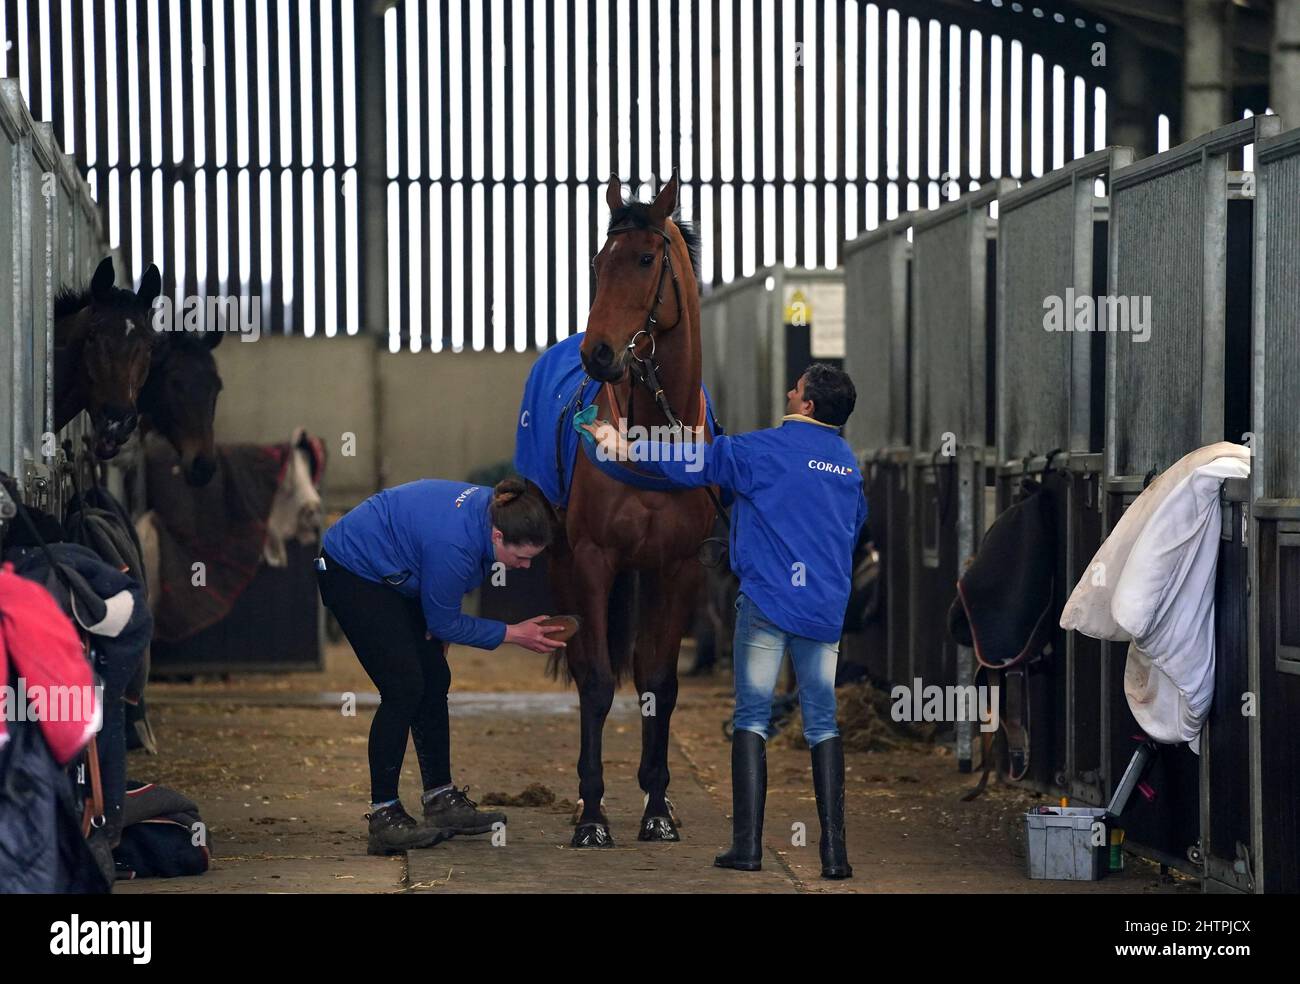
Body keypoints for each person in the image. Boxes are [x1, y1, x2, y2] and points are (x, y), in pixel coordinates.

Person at [583, 364, 866, 879]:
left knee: (752, 719)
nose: (788, 390)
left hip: (767, 604)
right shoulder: (847, 464)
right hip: (825, 611)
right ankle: (835, 855)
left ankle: (747, 848)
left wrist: (618, 444)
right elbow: (849, 527)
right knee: (823, 725)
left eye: (796, 387)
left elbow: (690, 461)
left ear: (806, 406)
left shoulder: (759, 451)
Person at [316, 477, 566, 855]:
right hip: (352, 570)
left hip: (399, 569)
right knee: (403, 687)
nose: (526, 566)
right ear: (498, 536)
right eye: (523, 557)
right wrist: (515, 633)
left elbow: (445, 609)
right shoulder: (455, 544)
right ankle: (384, 816)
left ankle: (441, 799)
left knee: (433, 679)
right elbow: (442, 623)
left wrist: (444, 622)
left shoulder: (495, 512)